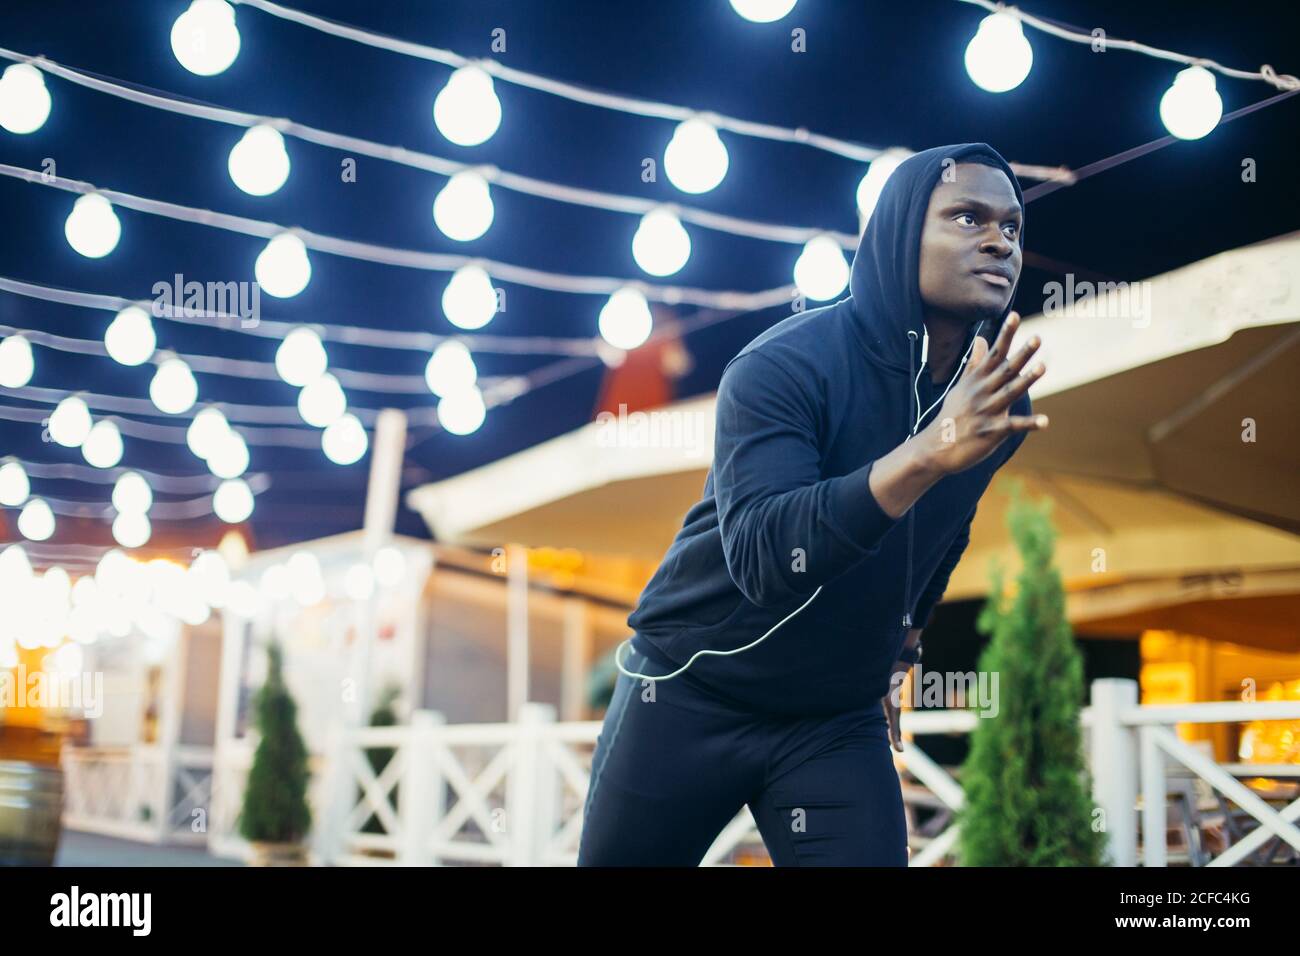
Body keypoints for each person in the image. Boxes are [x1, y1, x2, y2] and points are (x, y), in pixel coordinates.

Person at [577, 143, 1048, 867]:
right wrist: (928, 450)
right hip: (687, 690)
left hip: (832, 718)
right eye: (967, 217)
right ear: (897, 235)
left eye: (1012, 227)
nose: (999, 240)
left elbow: (941, 535)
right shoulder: (783, 364)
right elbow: (768, 557)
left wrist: (903, 643)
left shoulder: (993, 402)